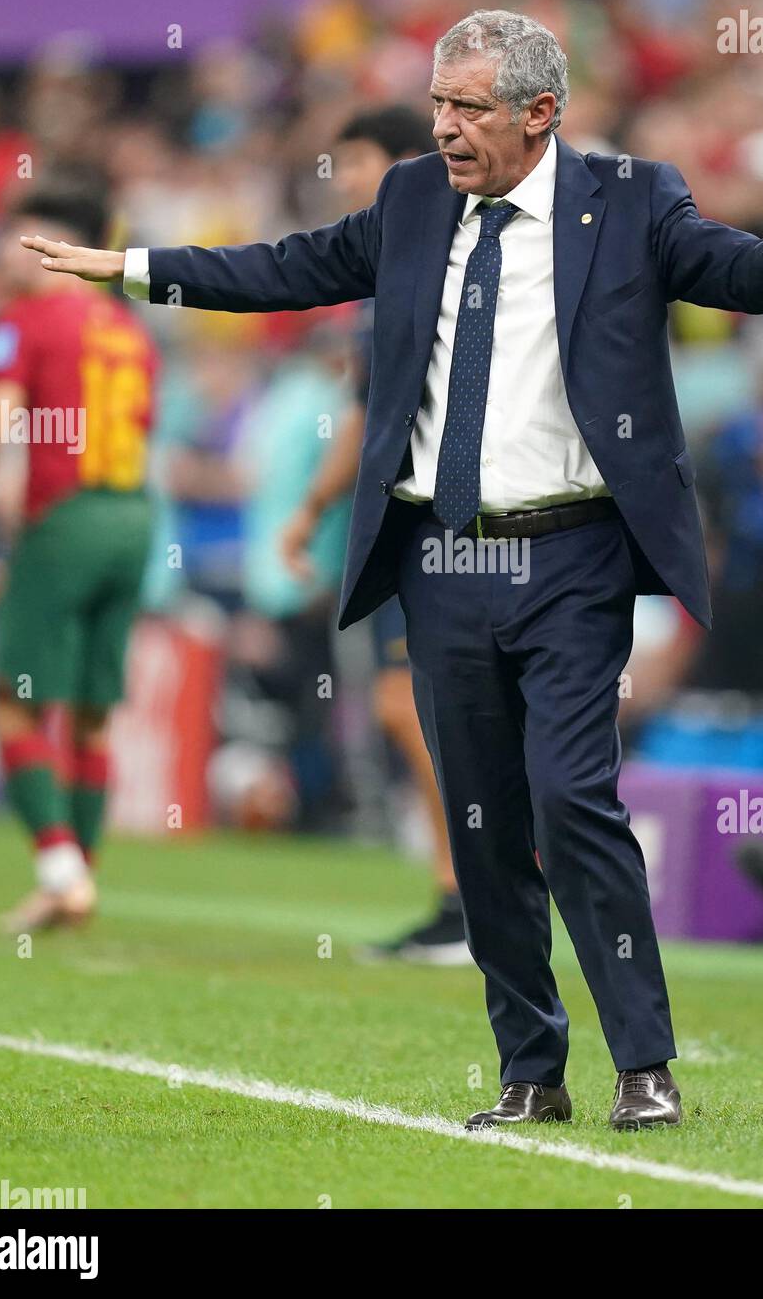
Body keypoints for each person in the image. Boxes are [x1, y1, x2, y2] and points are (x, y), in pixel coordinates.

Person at [19, 9, 763, 1130]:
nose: (441, 125)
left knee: (572, 796)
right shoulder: (406, 201)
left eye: (466, 107)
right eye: (437, 101)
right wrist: (135, 269)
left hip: (573, 551)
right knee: (482, 820)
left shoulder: (629, 196)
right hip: (440, 557)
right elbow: (283, 268)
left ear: (541, 113)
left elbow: (724, 264)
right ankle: (530, 1073)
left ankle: (644, 1064)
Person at [279, 104, 469, 962]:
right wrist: (316, 507)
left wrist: (312, 510)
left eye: (354, 161)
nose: (344, 180)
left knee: (417, 708)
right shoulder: (394, 269)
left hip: (442, 523)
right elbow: (365, 420)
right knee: (426, 711)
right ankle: (462, 897)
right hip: (423, 522)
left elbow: (373, 424)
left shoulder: (417, 268)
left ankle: (473, 899)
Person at [0, 188, 158, 932]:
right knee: (93, 715)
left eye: (26, 239)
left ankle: (61, 870)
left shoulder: (23, 319)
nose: (8, 250)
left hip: (64, 524)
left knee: (13, 701)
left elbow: (0, 414)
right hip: (132, 517)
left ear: (62, 251)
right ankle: (81, 882)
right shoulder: (128, 330)